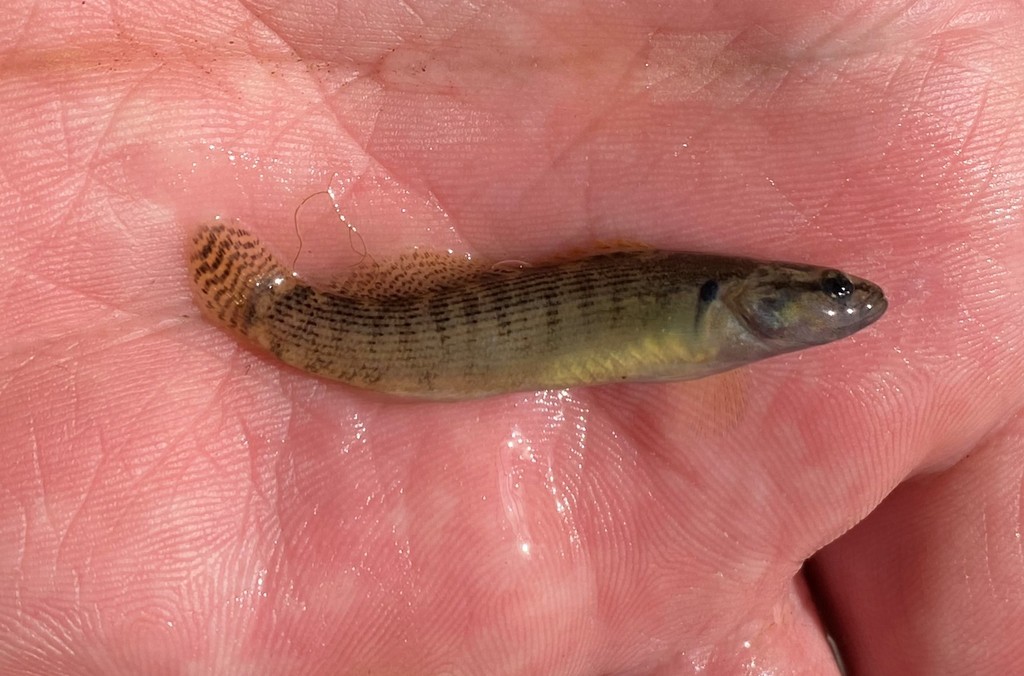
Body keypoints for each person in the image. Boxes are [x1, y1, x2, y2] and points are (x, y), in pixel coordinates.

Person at [2, 2, 1022, 674]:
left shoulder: (718, 326)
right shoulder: (710, 313)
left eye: (836, 295)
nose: (843, 305)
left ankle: (278, 314)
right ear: (764, 293)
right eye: (829, 292)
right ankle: (271, 310)